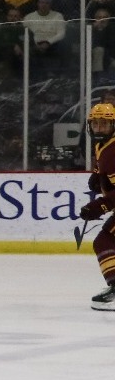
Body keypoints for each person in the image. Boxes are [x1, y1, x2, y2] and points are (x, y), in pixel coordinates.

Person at [78, 103, 115, 311]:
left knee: (104, 240)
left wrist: (100, 205)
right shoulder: (104, 145)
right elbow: (103, 164)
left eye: (105, 124)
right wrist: (97, 176)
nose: (100, 128)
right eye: (96, 124)